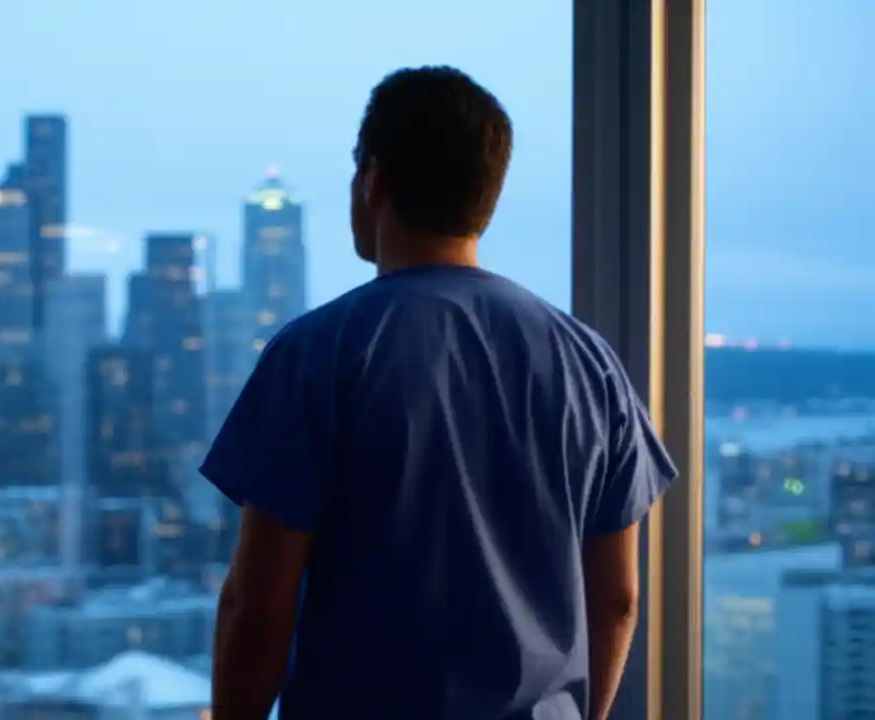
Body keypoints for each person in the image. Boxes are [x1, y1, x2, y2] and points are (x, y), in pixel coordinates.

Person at [201, 66, 677, 720]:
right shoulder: (589, 362)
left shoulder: (317, 353)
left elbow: (258, 604)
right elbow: (618, 599)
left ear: (373, 179)